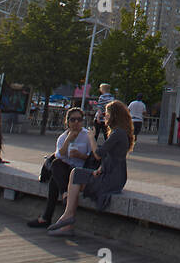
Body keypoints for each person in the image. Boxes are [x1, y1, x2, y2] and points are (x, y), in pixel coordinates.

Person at [47, 100, 134, 235]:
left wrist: (92, 137)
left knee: (75, 177)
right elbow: (111, 158)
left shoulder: (118, 133)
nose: (105, 117)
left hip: (112, 179)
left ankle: (67, 218)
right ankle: (67, 220)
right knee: (75, 180)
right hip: (113, 175)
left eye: (107, 114)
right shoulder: (120, 133)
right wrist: (100, 169)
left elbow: (98, 155)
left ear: (114, 116)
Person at [28, 107, 93, 228]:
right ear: (67, 121)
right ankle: (64, 196)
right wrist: (68, 139)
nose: (76, 123)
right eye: (73, 120)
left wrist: (80, 155)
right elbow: (59, 155)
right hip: (64, 170)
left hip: (79, 170)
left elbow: (92, 157)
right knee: (56, 164)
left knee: (54, 180)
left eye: (79, 120)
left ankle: (47, 217)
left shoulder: (87, 136)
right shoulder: (63, 137)